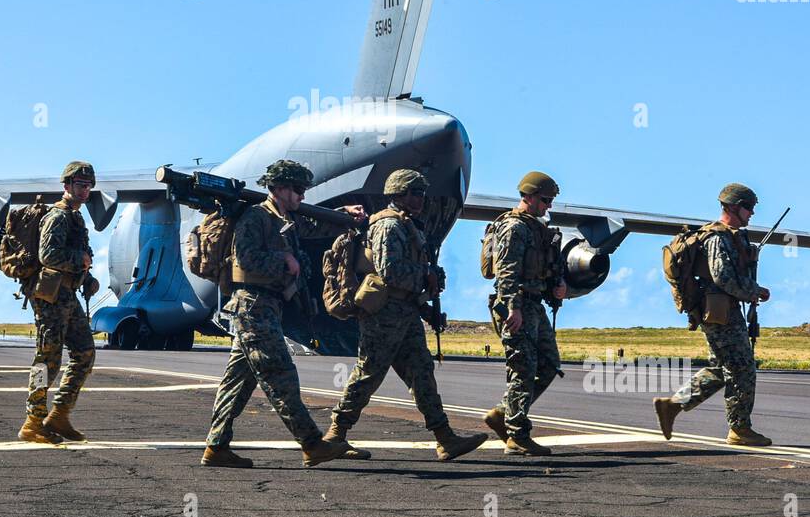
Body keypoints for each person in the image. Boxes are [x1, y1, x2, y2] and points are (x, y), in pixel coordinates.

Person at [202, 159, 365, 468]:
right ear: (279, 188)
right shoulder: (256, 217)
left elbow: (315, 225)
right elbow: (246, 260)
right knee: (281, 375)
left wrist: (345, 216)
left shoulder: (285, 218)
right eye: (298, 190)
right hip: (254, 307)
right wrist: (284, 261)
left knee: (238, 382)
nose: (302, 196)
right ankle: (311, 443)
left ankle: (216, 446)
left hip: (265, 307)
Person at [325, 169, 488, 462]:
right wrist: (426, 275)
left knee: (422, 374)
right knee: (368, 375)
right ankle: (334, 435)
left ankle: (445, 438)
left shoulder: (407, 225)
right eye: (415, 193)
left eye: (422, 193)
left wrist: (425, 308)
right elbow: (390, 272)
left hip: (404, 313)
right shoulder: (389, 226)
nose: (421, 199)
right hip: (385, 315)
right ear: (399, 195)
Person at [653, 183, 773, 446]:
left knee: (720, 367)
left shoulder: (734, 236)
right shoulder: (717, 238)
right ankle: (739, 429)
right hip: (720, 310)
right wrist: (753, 290)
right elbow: (722, 277)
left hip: (723, 309)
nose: (752, 213)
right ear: (732, 207)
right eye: (748, 208)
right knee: (742, 368)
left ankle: (671, 406)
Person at [483, 171, 567, 456]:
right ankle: (517, 435)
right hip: (516, 306)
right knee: (523, 367)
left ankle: (503, 414)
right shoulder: (514, 227)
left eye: (551, 201)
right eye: (545, 200)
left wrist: (556, 287)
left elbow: (541, 267)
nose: (548, 206)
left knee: (548, 363)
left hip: (534, 304)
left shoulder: (535, 227)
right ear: (528, 197)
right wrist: (512, 307)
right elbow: (506, 271)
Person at [19, 160, 100, 444]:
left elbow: (74, 255)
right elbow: (48, 256)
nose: (85, 190)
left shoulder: (76, 217)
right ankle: (33, 421)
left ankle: (60, 415)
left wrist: (86, 277)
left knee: (85, 353)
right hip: (51, 298)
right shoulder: (59, 216)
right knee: (46, 361)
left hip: (69, 295)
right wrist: (81, 261)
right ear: (66, 186)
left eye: (89, 186)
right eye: (80, 185)